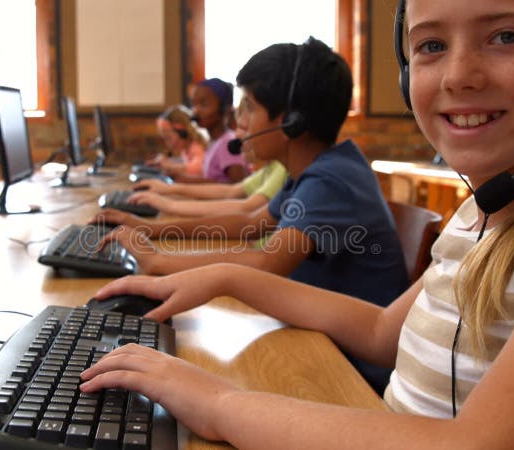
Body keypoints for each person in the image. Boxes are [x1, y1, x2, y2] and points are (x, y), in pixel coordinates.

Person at [80, 1, 514, 448]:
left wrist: (219, 403)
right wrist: (226, 278)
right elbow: (380, 333)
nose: (460, 74)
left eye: (507, 36)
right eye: (432, 45)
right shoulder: (485, 210)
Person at [92, 37, 408, 392]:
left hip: (354, 370)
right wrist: (153, 232)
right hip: (322, 340)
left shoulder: (332, 180)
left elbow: (266, 262)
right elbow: (248, 223)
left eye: (249, 108)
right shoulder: (311, 172)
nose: (239, 122)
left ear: (292, 122)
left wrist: (160, 261)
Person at [125, 102, 289, 217]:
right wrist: (169, 191)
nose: (237, 135)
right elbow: (231, 191)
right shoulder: (272, 168)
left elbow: (245, 207)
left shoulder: (282, 169)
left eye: (244, 128)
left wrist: (170, 202)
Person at [185, 78, 248, 183]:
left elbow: (239, 187)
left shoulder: (227, 143)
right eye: (194, 105)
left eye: (203, 104)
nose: (195, 111)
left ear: (224, 108)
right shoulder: (215, 141)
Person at [145, 105, 206, 180]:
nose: (166, 143)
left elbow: (199, 168)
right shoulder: (186, 149)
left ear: (181, 132)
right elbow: (185, 163)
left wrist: (168, 165)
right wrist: (165, 162)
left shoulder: (196, 147)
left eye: (168, 138)